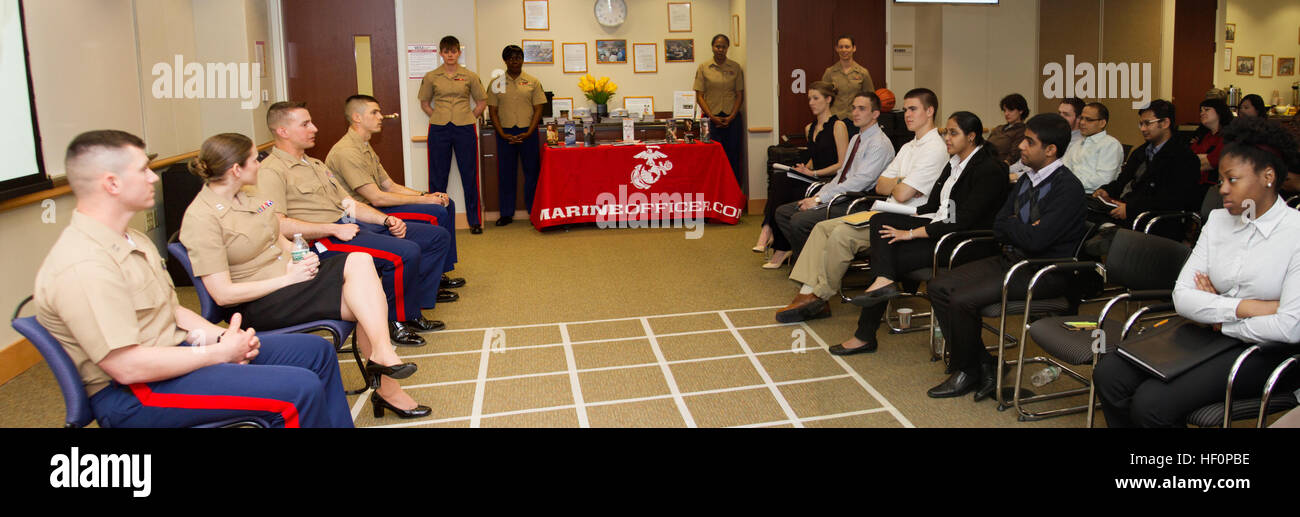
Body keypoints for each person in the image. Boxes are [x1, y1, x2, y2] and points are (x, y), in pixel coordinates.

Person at [34, 130, 352, 427]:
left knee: (315, 352)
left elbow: (172, 311)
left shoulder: (132, 238)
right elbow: (127, 367)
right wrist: (218, 354)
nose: (151, 177)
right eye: (143, 170)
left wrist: (220, 337)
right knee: (299, 389)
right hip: (135, 392)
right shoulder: (84, 263)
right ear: (112, 183)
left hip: (178, 353)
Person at [182, 133, 431, 418]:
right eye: (254, 159)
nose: (260, 164)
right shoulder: (201, 218)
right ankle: (387, 381)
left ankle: (383, 357)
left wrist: (300, 257)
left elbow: (276, 239)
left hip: (292, 280)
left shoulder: (250, 196)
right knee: (365, 302)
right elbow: (223, 294)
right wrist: (287, 278)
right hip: (260, 301)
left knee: (362, 266)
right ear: (236, 170)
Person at [1094, 115, 1300, 427]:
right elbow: (1183, 297)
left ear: (1268, 176)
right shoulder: (1218, 221)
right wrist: (1247, 307)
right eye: (1221, 181)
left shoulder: (1295, 233)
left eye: (1233, 180)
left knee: (1153, 402)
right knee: (1109, 372)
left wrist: (1218, 321)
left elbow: (1289, 327)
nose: (1223, 190)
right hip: (1207, 334)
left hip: (1266, 352)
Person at [255, 101, 449, 346]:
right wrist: (333, 229)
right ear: (282, 131)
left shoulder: (314, 164)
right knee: (403, 253)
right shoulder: (271, 171)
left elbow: (349, 204)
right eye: (305, 124)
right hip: (320, 241)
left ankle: (410, 311)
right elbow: (278, 225)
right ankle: (394, 321)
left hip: (345, 226)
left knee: (430, 236)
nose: (314, 128)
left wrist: (386, 219)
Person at [923, 114, 1086, 400]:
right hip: (1011, 260)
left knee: (961, 300)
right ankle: (983, 363)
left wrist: (1017, 228)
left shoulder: (1068, 188)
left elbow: (1037, 242)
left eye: (1029, 141)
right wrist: (1020, 228)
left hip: (1043, 272)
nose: (1021, 146)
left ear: (1050, 150)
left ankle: (967, 370)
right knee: (937, 286)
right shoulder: (1026, 179)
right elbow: (999, 225)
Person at [829, 112, 1010, 354]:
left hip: (964, 241)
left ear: (972, 137)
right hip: (940, 225)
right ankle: (883, 280)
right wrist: (909, 217)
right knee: (880, 219)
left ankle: (865, 333)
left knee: (890, 255)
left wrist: (911, 233)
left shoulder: (988, 169)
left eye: (953, 133)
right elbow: (935, 206)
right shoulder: (954, 162)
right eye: (946, 132)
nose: (946, 137)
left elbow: (959, 220)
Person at [774, 88, 946, 323]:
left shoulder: (935, 147)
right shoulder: (908, 146)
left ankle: (818, 296)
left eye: (913, 109)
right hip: (884, 209)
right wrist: (900, 183)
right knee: (822, 228)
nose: (907, 114)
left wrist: (897, 184)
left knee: (841, 234)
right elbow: (882, 186)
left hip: (906, 218)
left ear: (930, 111)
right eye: (905, 109)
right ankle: (807, 292)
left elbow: (902, 194)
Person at [326, 94, 465, 299]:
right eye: (374, 112)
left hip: (375, 206)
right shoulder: (347, 151)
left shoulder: (364, 145)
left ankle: (437, 273)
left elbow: (389, 185)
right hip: (361, 215)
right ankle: (429, 284)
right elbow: (377, 198)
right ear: (357, 117)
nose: (381, 116)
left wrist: (426, 194)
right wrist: (425, 200)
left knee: (444, 204)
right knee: (435, 211)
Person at [773, 91, 894, 254]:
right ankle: (815, 258)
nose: (855, 113)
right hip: (841, 197)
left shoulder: (879, 144)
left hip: (859, 201)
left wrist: (819, 199)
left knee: (798, 220)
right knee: (783, 213)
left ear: (875, 114)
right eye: (854, 108)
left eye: (862, 109)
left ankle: (813, 265)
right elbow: (841, 175)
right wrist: (817, 197)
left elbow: (859, 182)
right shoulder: (856, 139)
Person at [1086, 99, 1200, 253]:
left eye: (1147, 123)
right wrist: (1106, 191)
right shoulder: (1141, 152)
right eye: (1141, 124)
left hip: (1154, 220)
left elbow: (1174, 199)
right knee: (1081, 216)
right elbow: (1122, 181)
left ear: (1165, 123)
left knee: (1090, 242)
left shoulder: (1183, 157)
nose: (1143, 129)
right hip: (1124, 210)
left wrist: (1131, 209)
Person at [760, 81, 847, 268]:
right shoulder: (810, 128)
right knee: (780, 178)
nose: (811, 103)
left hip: (828, 180)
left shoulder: (838, 126)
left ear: (828, 99)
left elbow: (842, 164)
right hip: (812, 176)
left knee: (783, 185)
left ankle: (773, 237)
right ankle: (777, 241)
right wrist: (803, 169)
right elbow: (813, 159)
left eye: (816, 98)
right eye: (809, 99)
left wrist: (813, 172)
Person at [418, 35, 488, 233]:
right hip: (439, 129)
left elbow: (481, 102)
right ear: (441, 53)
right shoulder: (432, 76)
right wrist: (438, 116)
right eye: (446, 51)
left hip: (465, 128)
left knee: (469, 174)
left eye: (454, 51)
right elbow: (424, 103)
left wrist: (468, 116)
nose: (450, 55)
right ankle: (438, 221)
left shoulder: (470, 76)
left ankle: (474, 221)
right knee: (438, 177)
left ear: (459, 52)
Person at [486, 44, 546, 227]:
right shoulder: (496, 83)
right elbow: (493, 112)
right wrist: (502, 133)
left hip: (528, 132)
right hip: (505, 134)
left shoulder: (533, 81)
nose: (514, 61)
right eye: (510, 58)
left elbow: (538, 109)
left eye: (518, 57)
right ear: (505, 60)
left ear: (523, 60)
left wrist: (529, 131)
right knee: (506, 175)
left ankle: (534, 211)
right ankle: (506, 214)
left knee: (532, 174)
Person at [694, 33, 745, 187]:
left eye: (723, 46)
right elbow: (699, 96)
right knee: (712, 157)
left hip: (732, 119)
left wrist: (731, 117)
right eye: (717, 46)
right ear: (712, 47)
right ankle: (715, 192)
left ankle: (733, 192)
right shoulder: (704, 67)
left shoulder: (735, 67)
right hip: (711, 119)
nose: (720, 49)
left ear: (727, 48)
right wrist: (711, 117)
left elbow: (739, 95)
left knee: (733, 157)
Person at [1063, 102, 1123, 193]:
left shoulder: (1110, 144)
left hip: (1092, 197)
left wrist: (1070, 182)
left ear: (1102, 123)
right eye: (1081, 118)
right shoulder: (1077, 144)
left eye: (1089, 120)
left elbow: (1104, 179)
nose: (1082, 123)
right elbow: (1064, 169)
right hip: (1070, 192)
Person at [821, 35, 874, 134]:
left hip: (855, 119)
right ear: (836, 49)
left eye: (847, 46)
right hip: (835, 119)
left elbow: (870, 99)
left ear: (854, 48)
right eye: (841, 47)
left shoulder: (863, 73)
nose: (844, 50)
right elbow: (823, 98)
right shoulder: (830, 72)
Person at [1190, 97, 1234, 187]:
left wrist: (1203, 158)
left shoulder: (1228, 136)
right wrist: (1205, 157)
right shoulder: (1204, 136)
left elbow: (1212, 162)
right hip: (1196, 183)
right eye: (1201, 110)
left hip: (1215, 186)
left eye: (1206, 109)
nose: (1202, 113)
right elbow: (1187, 159)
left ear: (1219, 112)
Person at [987, 93, 1030, 166]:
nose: (1006, 114)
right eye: (1004, 110)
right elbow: (985, 146)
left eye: (1010, 110)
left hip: (1000, 167)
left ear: (1020, 111)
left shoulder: (1023, 131)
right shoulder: (999, 128)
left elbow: (1013, 157)